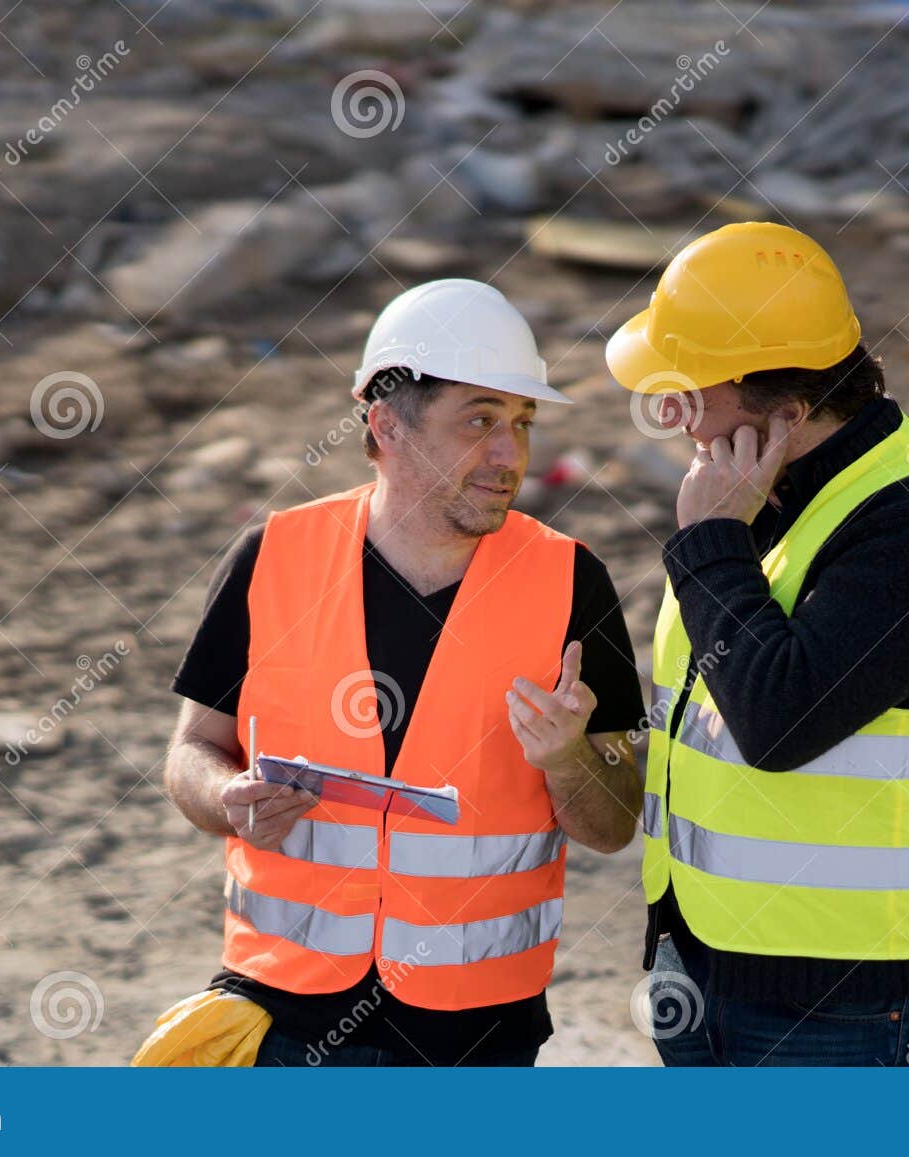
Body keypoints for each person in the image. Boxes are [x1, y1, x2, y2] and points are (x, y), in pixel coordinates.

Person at [163, 278, 644, 1067]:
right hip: (282, 1021)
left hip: (476, 1039)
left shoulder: (571, 581)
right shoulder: (272, 558)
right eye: (480, 420)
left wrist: (568, 759)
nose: (510, 454)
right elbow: (192, 750)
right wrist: (226, 798)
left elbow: (615, 823)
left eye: (522, 423)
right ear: (386, 424)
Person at [607, 222, 909, 1067]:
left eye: (694, 393)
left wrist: (712, 543)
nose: (674, 416)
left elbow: (782, 718)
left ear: (789, 411)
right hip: (705, 960)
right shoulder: (766, 491)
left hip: (850, 1005)